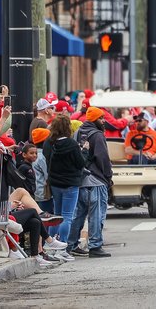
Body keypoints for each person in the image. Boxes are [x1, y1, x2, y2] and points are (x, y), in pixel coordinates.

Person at [68, 107, 113, 258]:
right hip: (96, 180)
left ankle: (71, 244)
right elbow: (103, 159)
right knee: (97, 214)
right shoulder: (97, 135)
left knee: (78, 215)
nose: (103, 121)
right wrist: (108, 177)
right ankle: (95, 246)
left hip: (80, 181)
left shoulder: (77, 132)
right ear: (95, 120)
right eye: (101, 118)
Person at [45, 114, 86, 249]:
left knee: (57, 215)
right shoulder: (72, 144)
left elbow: (46, 158)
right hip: (70, 182)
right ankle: (63, 244)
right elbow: (80, 163)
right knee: (67, 216)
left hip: (55, 182)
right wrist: (84, 150)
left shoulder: (49, 143)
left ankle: (52, 243)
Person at [124, 112, 156, 185]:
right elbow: (127, 150)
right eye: (136, 121)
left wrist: (152, 156)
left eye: (140, 121)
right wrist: (143, 153)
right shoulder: (131, 133)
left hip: (151, 158)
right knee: (141, 158)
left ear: (146, 121)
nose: (137, 123)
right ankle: (143, 183)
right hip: (136, 158)